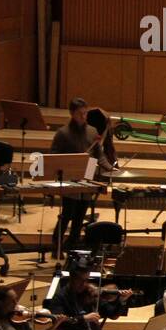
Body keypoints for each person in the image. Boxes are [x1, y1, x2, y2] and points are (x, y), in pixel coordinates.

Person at [49, 97, 98, 253]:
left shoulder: (92, 131)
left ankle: (72, 243)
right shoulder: (63, 133)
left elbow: (98, 154)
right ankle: (56, 243)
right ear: (71, 113)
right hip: (70, 178)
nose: (83, 117)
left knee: (81, 213)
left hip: (87, 176)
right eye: (80, 114)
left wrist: (110, 168)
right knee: (68, 213)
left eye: (85, 113)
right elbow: (54, 155)